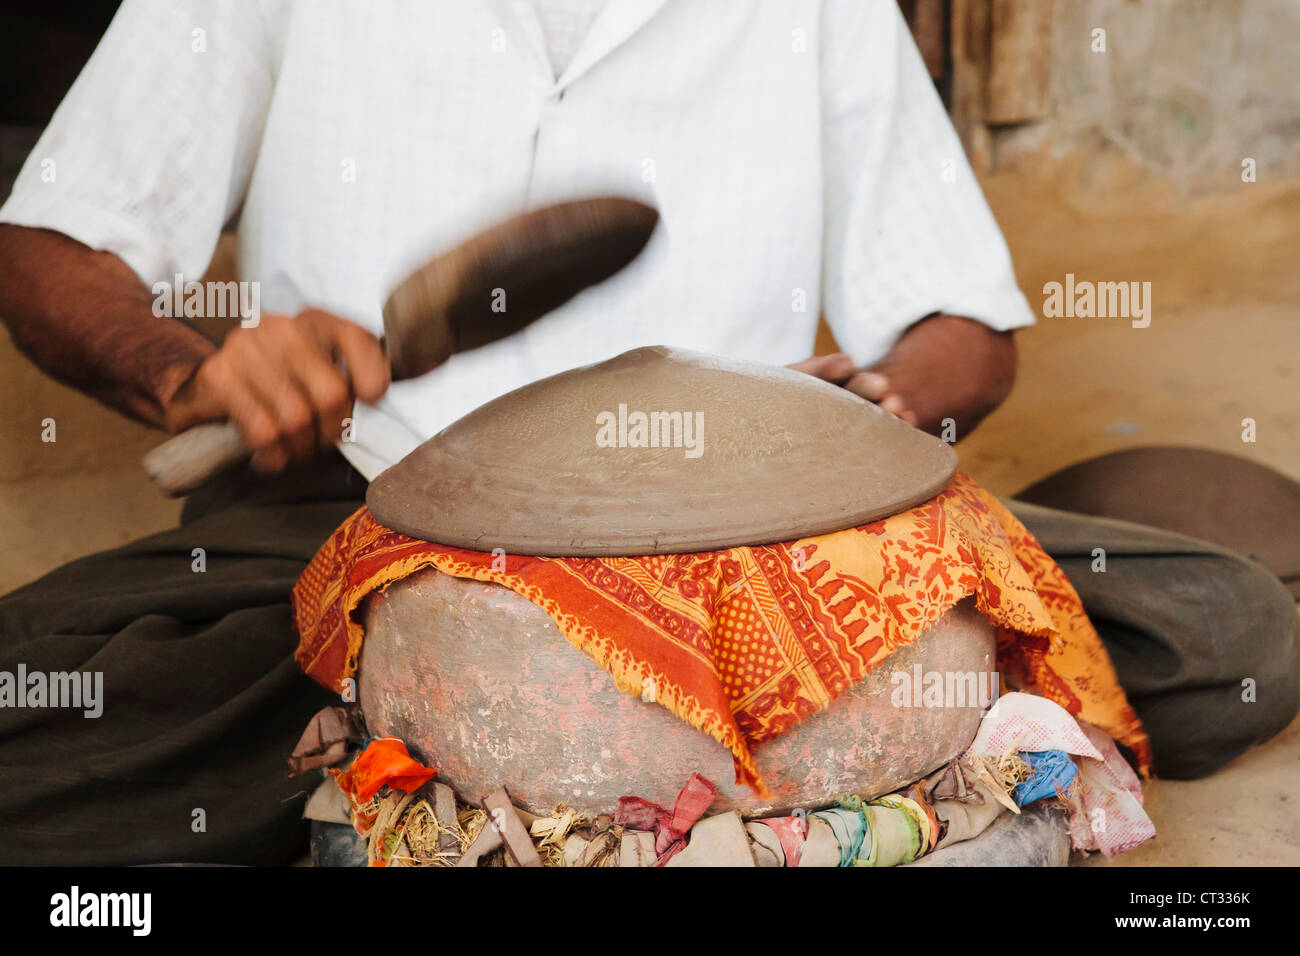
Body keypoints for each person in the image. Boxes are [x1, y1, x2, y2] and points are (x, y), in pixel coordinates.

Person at [0, 0, 1294, 865]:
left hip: (747, 533)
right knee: (54, 706)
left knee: (1218, 624)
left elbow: (964, 319)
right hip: (370, 505)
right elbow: (50, 244)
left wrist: (884, 407)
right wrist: (192, 373)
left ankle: (464, 775)